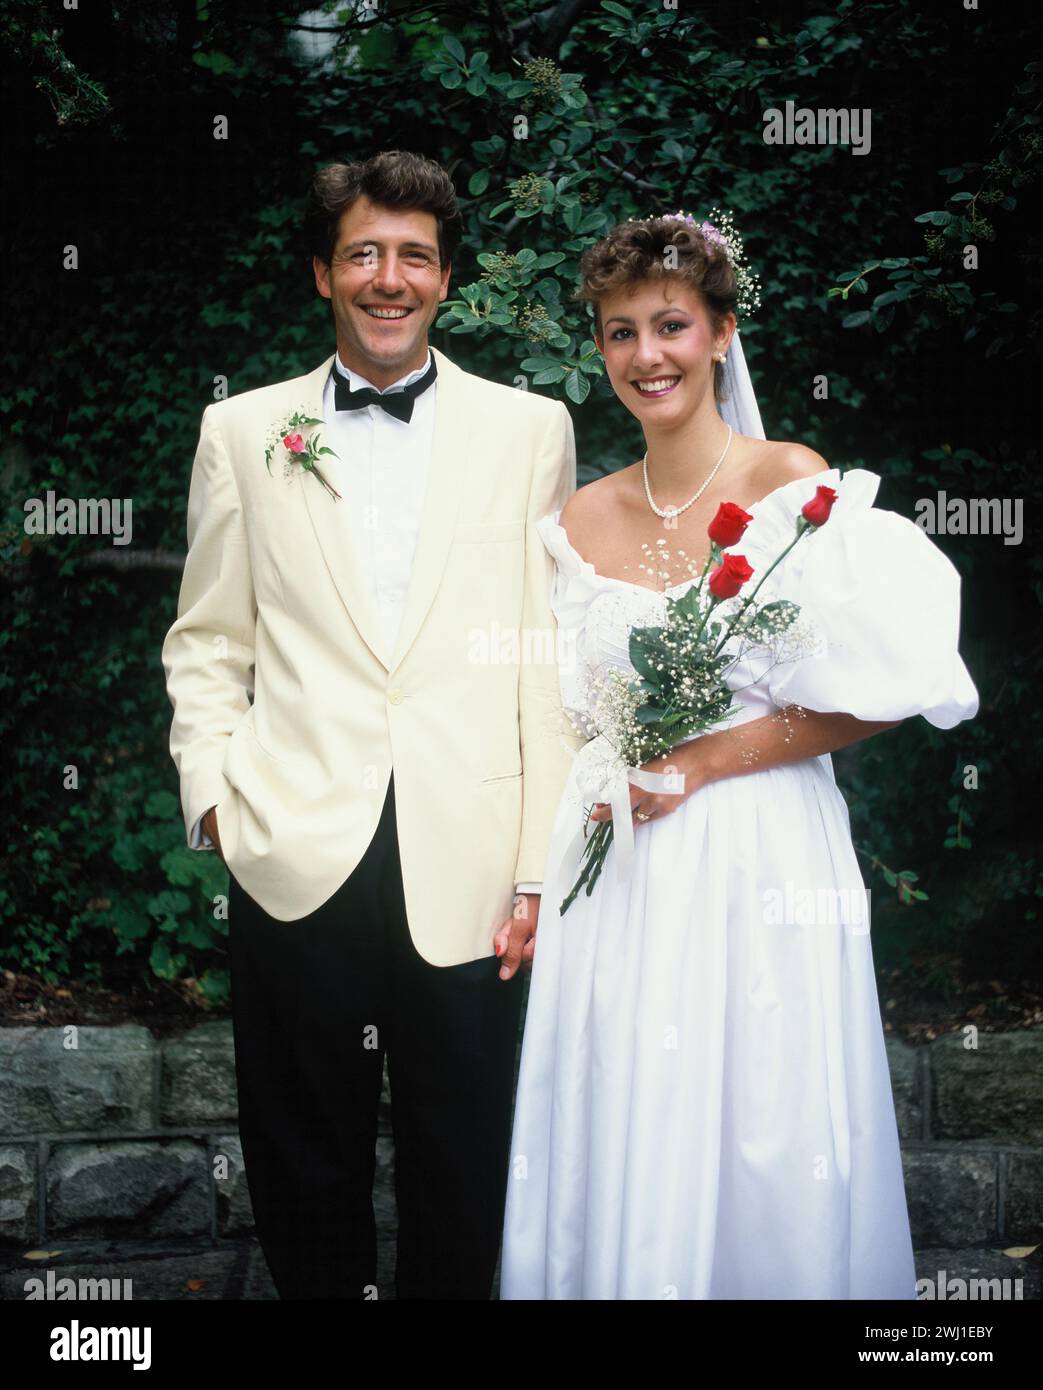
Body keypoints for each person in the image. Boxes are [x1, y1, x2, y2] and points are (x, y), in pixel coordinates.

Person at [496, 211, 979, 1299]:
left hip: (756, 856)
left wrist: (707, 762)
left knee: (761, 1111)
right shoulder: (576, 517)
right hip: (612, 869)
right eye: (618, 333)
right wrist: (537, 873)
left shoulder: (789, 481)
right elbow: (565, 720)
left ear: (719, 332)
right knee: (622, 1106)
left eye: (668, 324)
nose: (644, 355)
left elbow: (882, 694)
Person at [161, 150, 578, 1299]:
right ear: (321, 273)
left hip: (477, 859)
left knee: (469, 1155)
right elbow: (208, 641)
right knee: (303, 1159)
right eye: (362, 254)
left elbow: (545, 664)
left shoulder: (529, 430)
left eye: (412, 257)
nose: (386, 278)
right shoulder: (244, 430)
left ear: (444, 280)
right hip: (295, 848)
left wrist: (541, 863)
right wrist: (215, 798)